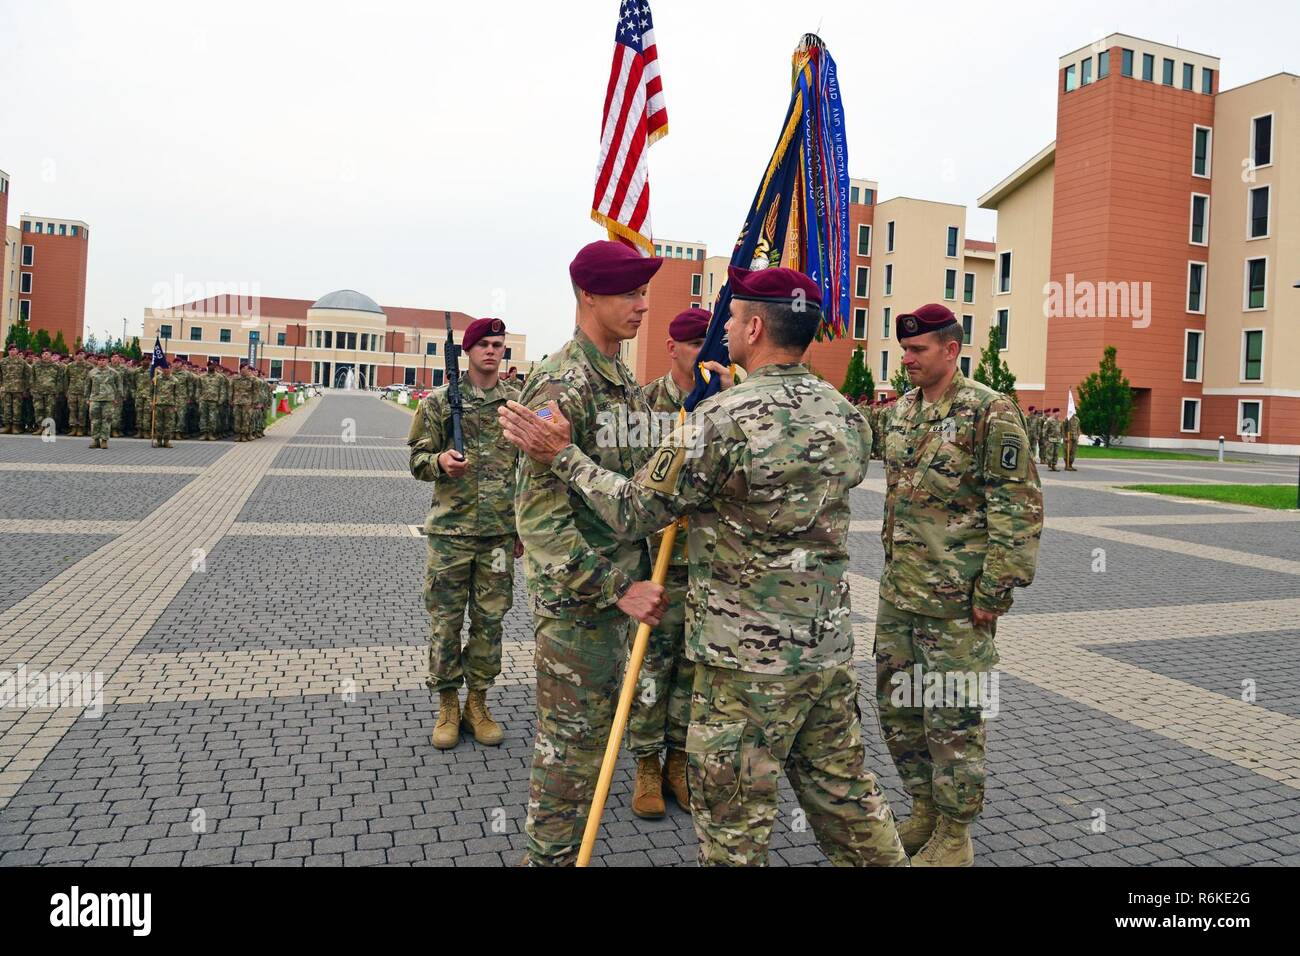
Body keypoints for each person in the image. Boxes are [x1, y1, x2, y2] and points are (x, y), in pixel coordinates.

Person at [501, 265, 909, 868]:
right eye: (631, 293)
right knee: (850, 805)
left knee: (734, 833)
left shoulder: (720, 422)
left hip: (744, 661)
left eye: (731, 317)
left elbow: (637, 506)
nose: (722, 329)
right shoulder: (845, 415)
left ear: (752, 326)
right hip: (823, 652)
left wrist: (563, 455)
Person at [511, 240, 667, 867]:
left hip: (616, 598)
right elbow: (540, 520)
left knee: (597, 743)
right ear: (587, 296)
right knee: (570, 749)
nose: (641, 304)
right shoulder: (562, 383)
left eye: (642, 291)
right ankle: (545, 860)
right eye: (628, 293)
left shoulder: (621, 378)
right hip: (583, 603)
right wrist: (616, 588)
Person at [875, 303, 1042, 866]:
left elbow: (1016, 507)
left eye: (918, 350)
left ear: (952, 349)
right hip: (899, 596)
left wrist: (994, 594)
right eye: (905, 350)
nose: (908, 359)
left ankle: (954, 835)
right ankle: (923, 807)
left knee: (953, 719)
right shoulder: (900, 413)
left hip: (956, 608)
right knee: (899, 712)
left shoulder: (988, 413)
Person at [407, 317, 521, 749]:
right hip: (451, 534)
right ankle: (448, 705)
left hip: (498, 534)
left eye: (498, 345)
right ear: (467, 352)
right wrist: (439, 463)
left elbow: (529, 466)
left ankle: (479, 702)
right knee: (446, 622)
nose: (492, 351)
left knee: (490, 621)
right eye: (484, 345)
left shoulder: (515, 404)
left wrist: (522, 526)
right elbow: (416, 459)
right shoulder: (438, 403)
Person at [627, 307, 712, 817]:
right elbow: (630, 480)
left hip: (706, 561)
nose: (705, 352)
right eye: (694, 343)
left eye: (710, 341)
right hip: (654, 559)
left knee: (694, 667)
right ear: (672, 348)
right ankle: (645, 764)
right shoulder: (643, 406)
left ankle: (679, 759)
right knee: (651, 667)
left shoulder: (723, 402)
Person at [86, 354, 121, 449]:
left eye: (104, 360)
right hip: (95, 399)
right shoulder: (92, 372)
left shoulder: (113, 372)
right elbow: (87, 386)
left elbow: (119, 386)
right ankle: (95, 440)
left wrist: (117, 398)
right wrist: (87, 398)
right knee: (94, 420)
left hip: (109, 399)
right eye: (100, 360)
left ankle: (104, 440)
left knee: (107, 420)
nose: (102, 362)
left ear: (107, 361)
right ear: (97, 361)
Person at [0, 343, 30, 434]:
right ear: (8, 351)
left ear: (17, 351)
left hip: (18, 389)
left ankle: (15, 427)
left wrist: (26, 388)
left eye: (14, 349)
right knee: (6, 408)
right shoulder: (2, 361)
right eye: (10, 350)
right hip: (6, 389)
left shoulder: (22, 362)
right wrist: (1, 386)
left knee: (17, 408)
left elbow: (28, 375)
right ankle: (7, 426)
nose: (12, 351)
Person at [151, 362, 181, 447]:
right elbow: (152, 392)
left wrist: (176, 406)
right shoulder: (156, 379)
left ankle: (167, 441)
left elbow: (177, 394)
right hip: (159, 404)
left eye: (167, 368)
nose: (166, 370)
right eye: (164, 368)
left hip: (170, 405)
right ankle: (159, 441)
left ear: (170, 369)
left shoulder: (175, 380)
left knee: (168, 424)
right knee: (158, 424)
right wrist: (152, 402)